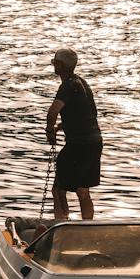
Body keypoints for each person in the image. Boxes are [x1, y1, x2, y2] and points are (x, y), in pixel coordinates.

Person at [45, 47, 102, 221]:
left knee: (58, 189)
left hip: (78, 144)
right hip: (95, 142)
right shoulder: (82, 83)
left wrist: (50, 131)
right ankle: (87, 228)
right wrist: (60, 128)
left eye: (55, 61)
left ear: (61, 65)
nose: (53, 64)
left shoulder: (68, 85)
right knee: (83, 190)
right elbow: (88, 114)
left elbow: (52, 112)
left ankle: (61, 225)